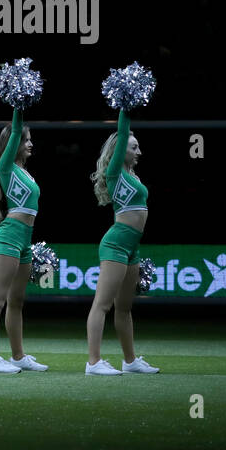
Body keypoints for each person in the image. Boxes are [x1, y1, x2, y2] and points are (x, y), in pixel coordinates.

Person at [83, 109, 160, 375]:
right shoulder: (116, 173)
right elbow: (123, 130)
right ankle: (93, 362)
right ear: (120, 150)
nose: (139, 151)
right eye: (134, 147)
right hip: (115, 244)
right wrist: (126, 106)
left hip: (132, 247)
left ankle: (130, 361)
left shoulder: (133, 175)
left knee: (125, 308)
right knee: (102, 304)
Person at [0, 106, 48, 373]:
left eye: (30, 139)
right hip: (8, 238)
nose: (30, 143)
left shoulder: (24, 171)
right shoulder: (6, 167)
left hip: (24, 241)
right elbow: (16, 127)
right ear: (13, 144)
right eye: (25, 139)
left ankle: (18, 356)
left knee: (17, 301)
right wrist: (18, 104)